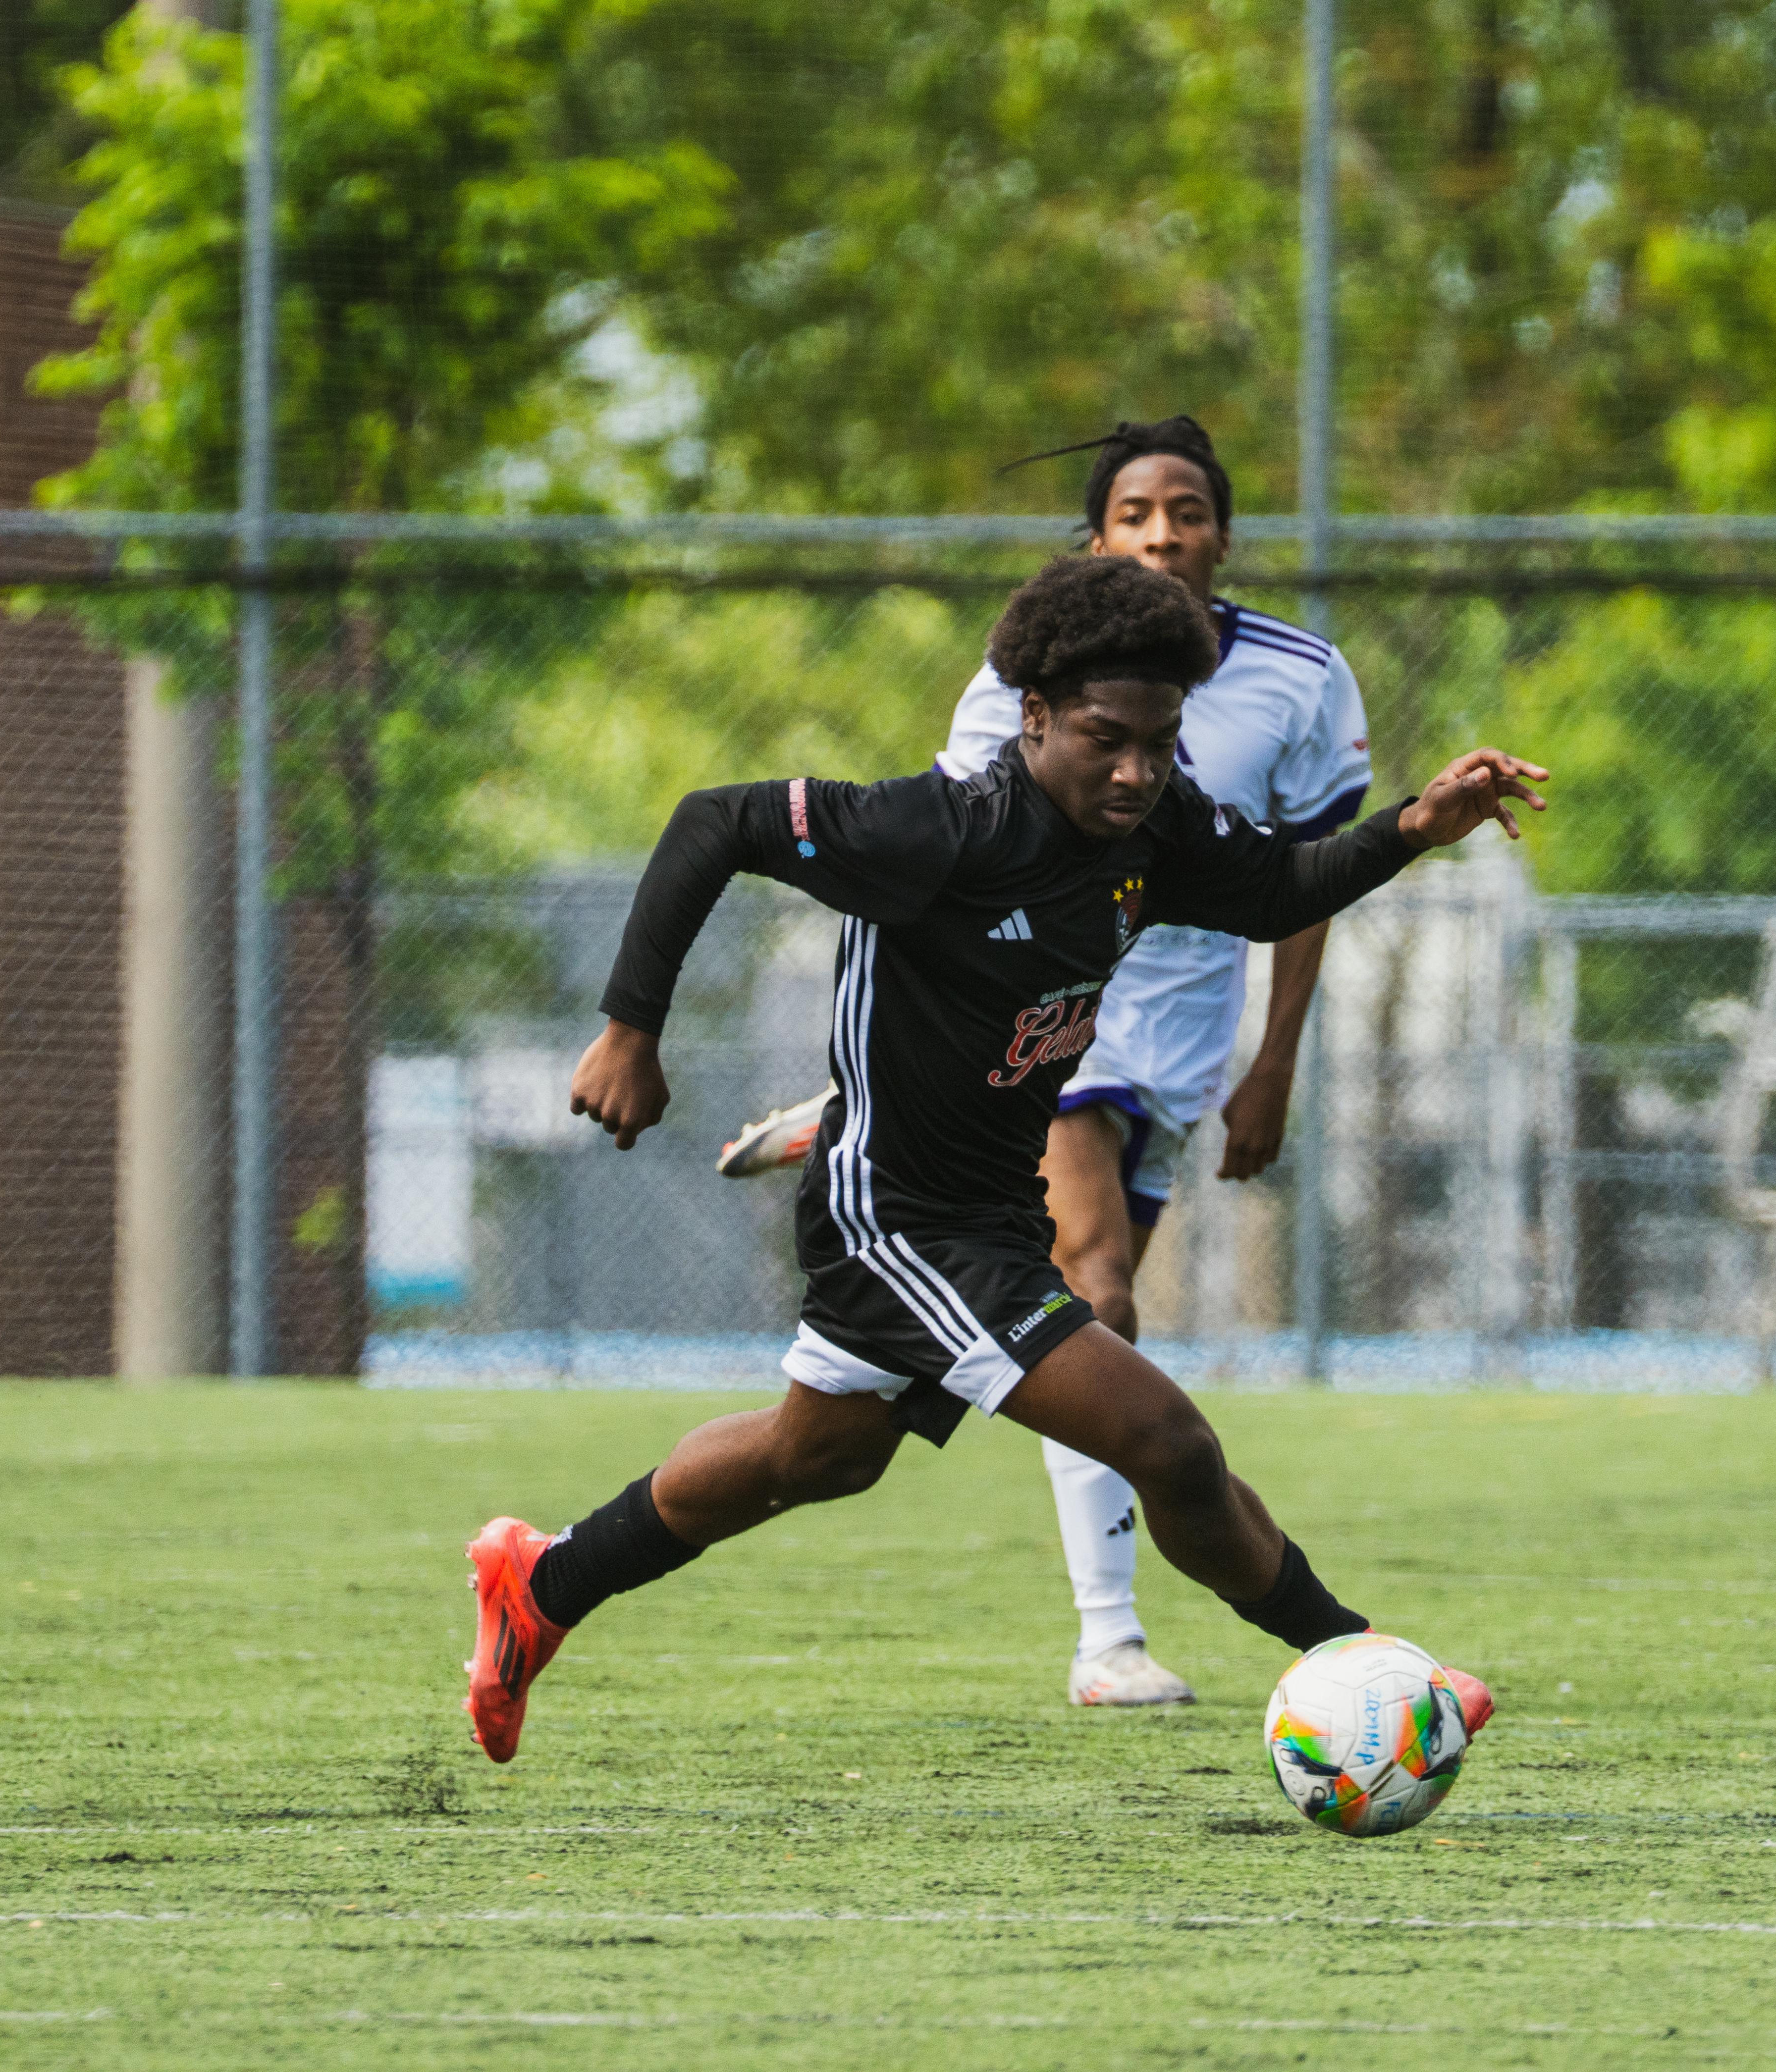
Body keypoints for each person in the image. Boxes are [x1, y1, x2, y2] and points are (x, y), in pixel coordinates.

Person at [463, 553, 1543, 1764]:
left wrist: (1413, 826)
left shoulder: (1154, 826)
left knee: (819, 1453)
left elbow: (1271, 888)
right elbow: (718, 820)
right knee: (1168, 1441)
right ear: (1033, 716)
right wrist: (629, 1028)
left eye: (1159, 742)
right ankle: (1370, 1663)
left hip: (987, 1208)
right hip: (897, 1218)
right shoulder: (941, 829)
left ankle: (542, 1580)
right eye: (1103, 739)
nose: (1135, 770)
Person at [715, 416, 1370, 1707]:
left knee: (842, 1444)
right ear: (1095, 539)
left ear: (1224, 536)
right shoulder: (1020, 682)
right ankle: (1110, 1639)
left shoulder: (1303, 677)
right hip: (1055, 1025)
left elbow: (1300, 880)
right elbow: (954, 857)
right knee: (1100, 1297)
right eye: (1133, 515)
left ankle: (559, 1566)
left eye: (1186, 512)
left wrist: (1274, 1060)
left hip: (1177, 1040)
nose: (1161, 536)